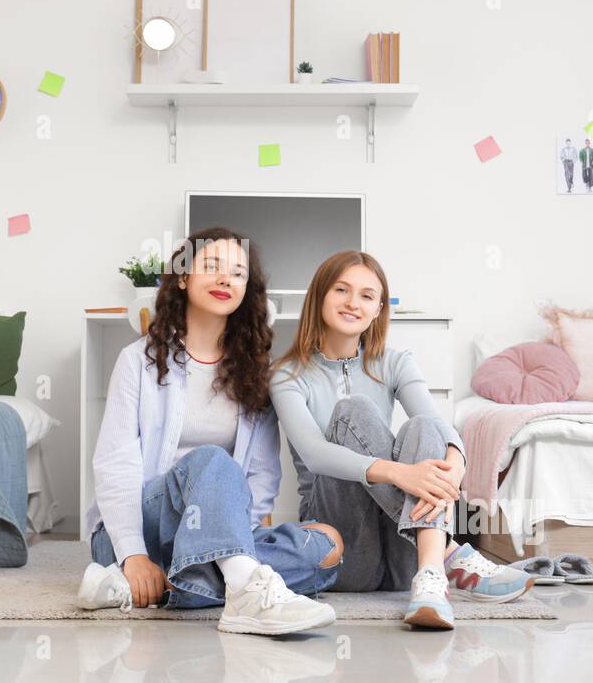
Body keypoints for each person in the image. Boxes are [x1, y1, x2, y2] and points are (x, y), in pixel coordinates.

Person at [78, 227, 341, 636]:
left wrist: (231, 533)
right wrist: (131, 553)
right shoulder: (136, 362)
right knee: (213, 461)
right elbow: (116, 464)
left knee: (327, 545)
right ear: (182, 277)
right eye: (212, 266)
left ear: (246, 291)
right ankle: (242, 588)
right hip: (142, 529)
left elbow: (263, 475)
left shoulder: (255, 372)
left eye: (237, 273)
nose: (225, 279)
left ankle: (173, 584)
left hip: (207, 535)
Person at [270, 250, 532, 629]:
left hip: (403, 551)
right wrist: (398, 474)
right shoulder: (287, 373)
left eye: (365, 295)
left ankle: (431, 576)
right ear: (320, 297)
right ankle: (450, 552)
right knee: (353, 411)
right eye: (341, 290)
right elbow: (314, 455)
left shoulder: (395, 362)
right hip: (343, 551)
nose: (352, 303)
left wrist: (456, 464)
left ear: (378, 309)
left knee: (423, 427)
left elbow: (438, 427)